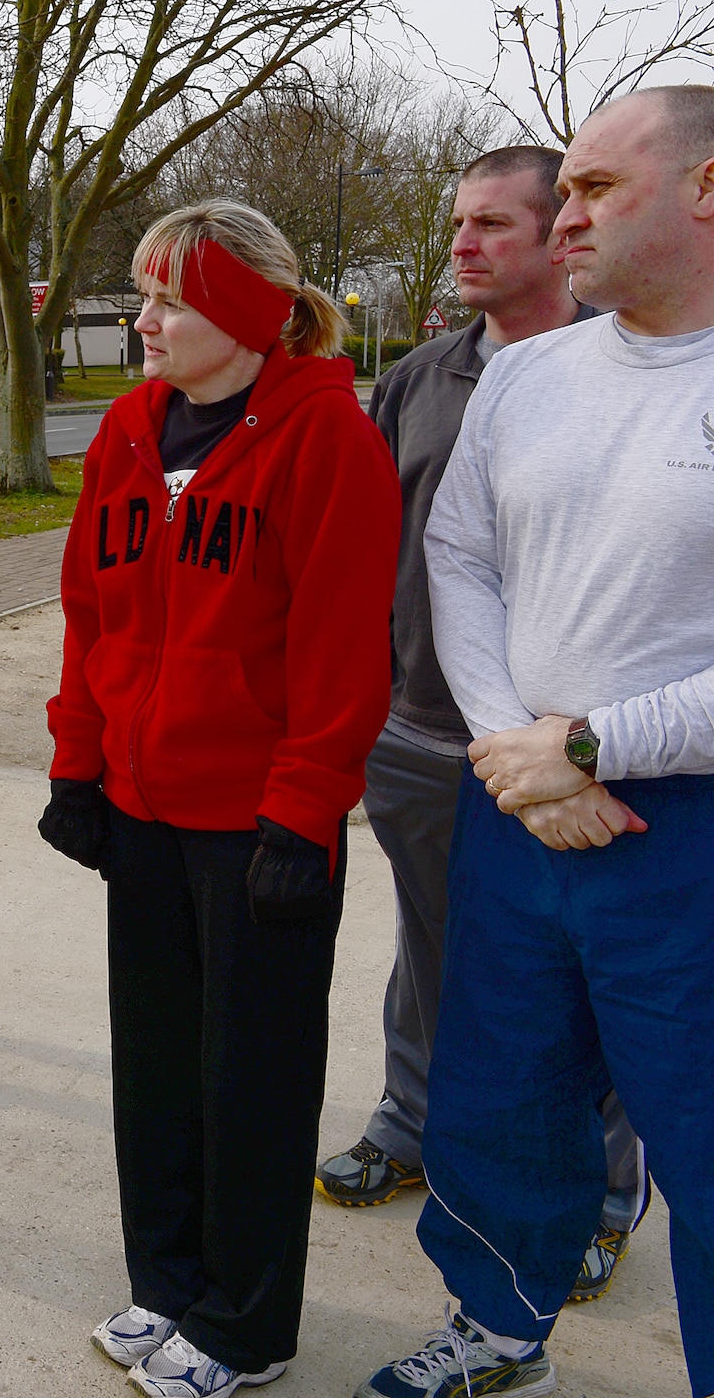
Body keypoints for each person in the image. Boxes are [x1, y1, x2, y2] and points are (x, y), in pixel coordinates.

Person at [359, 85, 714, 1398]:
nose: (568, 218)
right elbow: (458, 553)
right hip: (520, 807)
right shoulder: (534, 374)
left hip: (680, 829)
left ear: (708, 188)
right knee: (499, 1103)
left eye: (597, 191)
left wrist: (599, 744)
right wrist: (520, 745)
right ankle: (499, 1328)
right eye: (560, 192)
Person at [41, 199, 398, 1398]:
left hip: (258, 829)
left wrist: (304, 812)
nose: (140, 320)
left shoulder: (324, 438)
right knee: (152, 1067)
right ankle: (166, 1284)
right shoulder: (128, 429)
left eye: (166, 300)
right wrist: (74, 763)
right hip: (140, 809)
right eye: (140, 293)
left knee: (247, 1081)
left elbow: (344, 651)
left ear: (242, 314)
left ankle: (246, 1328)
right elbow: (88, 611)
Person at [316, 147, 648, 1299]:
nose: (462, 244)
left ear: (554, 233)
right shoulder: (418, 377)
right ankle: (410, 1122)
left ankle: (602, 1190)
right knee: (428, 943)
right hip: (419, 729)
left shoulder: (614, 372)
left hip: (570, 750)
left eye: (490, 224)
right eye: (456, 223)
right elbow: (382, 551)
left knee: (581, 972)